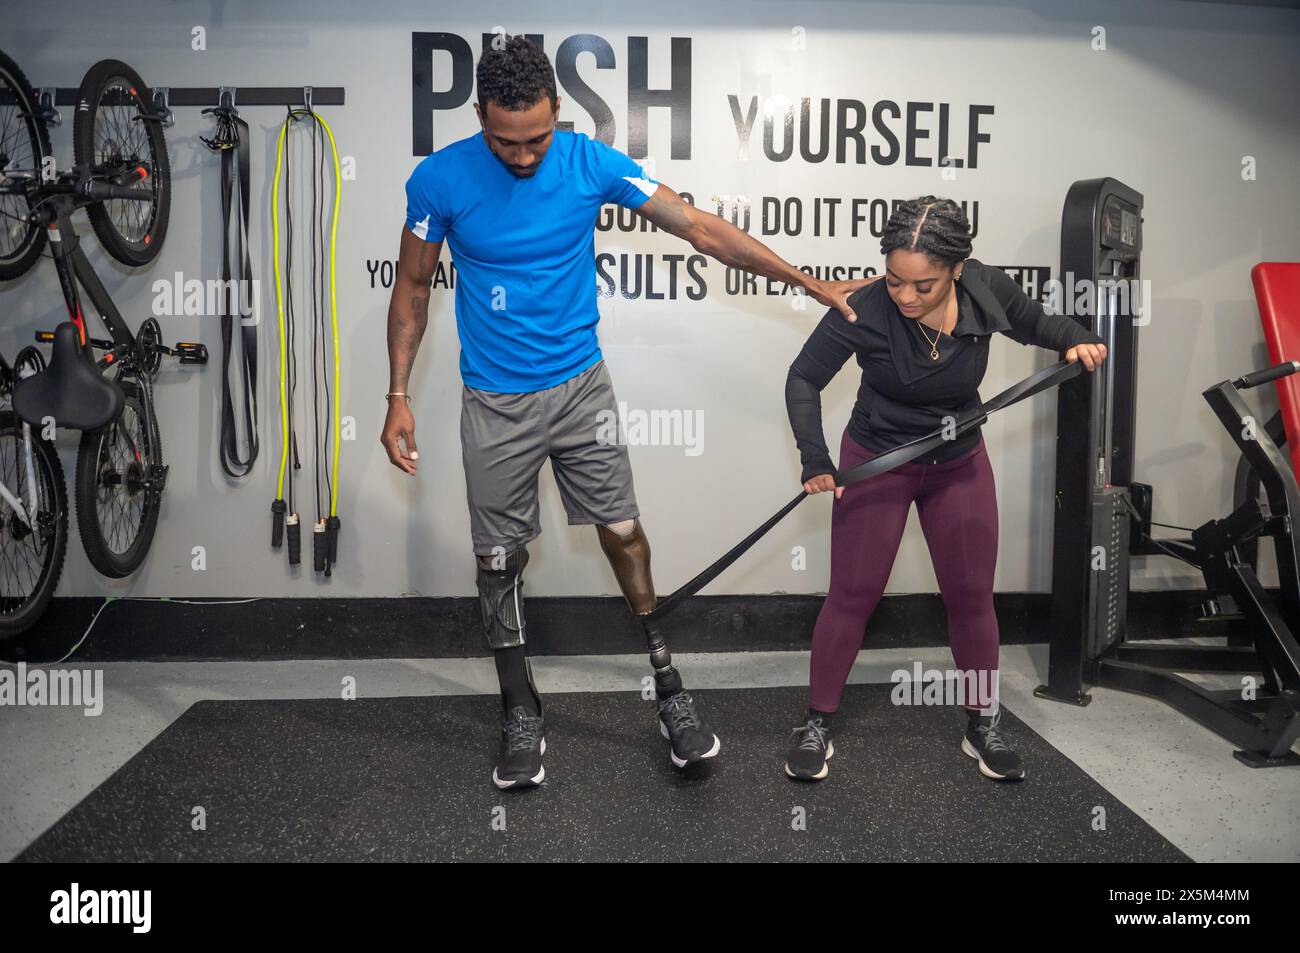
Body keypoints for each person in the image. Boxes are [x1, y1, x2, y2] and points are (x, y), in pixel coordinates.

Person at [381, 35, 870, 789]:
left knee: (622, 530)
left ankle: (668, 684)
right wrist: (397, 395)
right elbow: (412, 288)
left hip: (582, 388)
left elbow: (700, 227)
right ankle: (520, 707)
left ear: (559, 116)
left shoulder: (591, 165)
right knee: (497, 561)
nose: (522, 155)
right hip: (494, 400)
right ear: (479, 115)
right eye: (506, 140)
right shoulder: (438, 180)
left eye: (538, 137)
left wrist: (806, 282)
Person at [782, 196, 1108, 783]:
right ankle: (817, 721)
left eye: (923, 286)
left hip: (958, 462)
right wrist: (816, 458)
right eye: (894, 280)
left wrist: (1077, 338)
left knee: (971, 596)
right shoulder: (864, 309)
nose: (905, 297)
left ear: (958, 269)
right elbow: (803, 376)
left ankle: (982, 722)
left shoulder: (986, 288)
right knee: (853, 595)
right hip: (878, 459)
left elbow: (1039, 324)